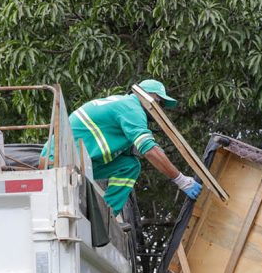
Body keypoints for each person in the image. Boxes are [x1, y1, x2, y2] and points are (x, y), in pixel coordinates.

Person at [46, 80, 203, 213]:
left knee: (129, 164)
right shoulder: (132, 108)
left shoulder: (123, 104)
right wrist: (182, 180)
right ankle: (105, 215)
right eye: (160, 102)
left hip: (72, 158)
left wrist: (153, 152)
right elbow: (148, 150)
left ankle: (106, 213)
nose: (160, 109)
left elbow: (137, 149)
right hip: (62, 158)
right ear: (149, 96)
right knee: (131, 165)